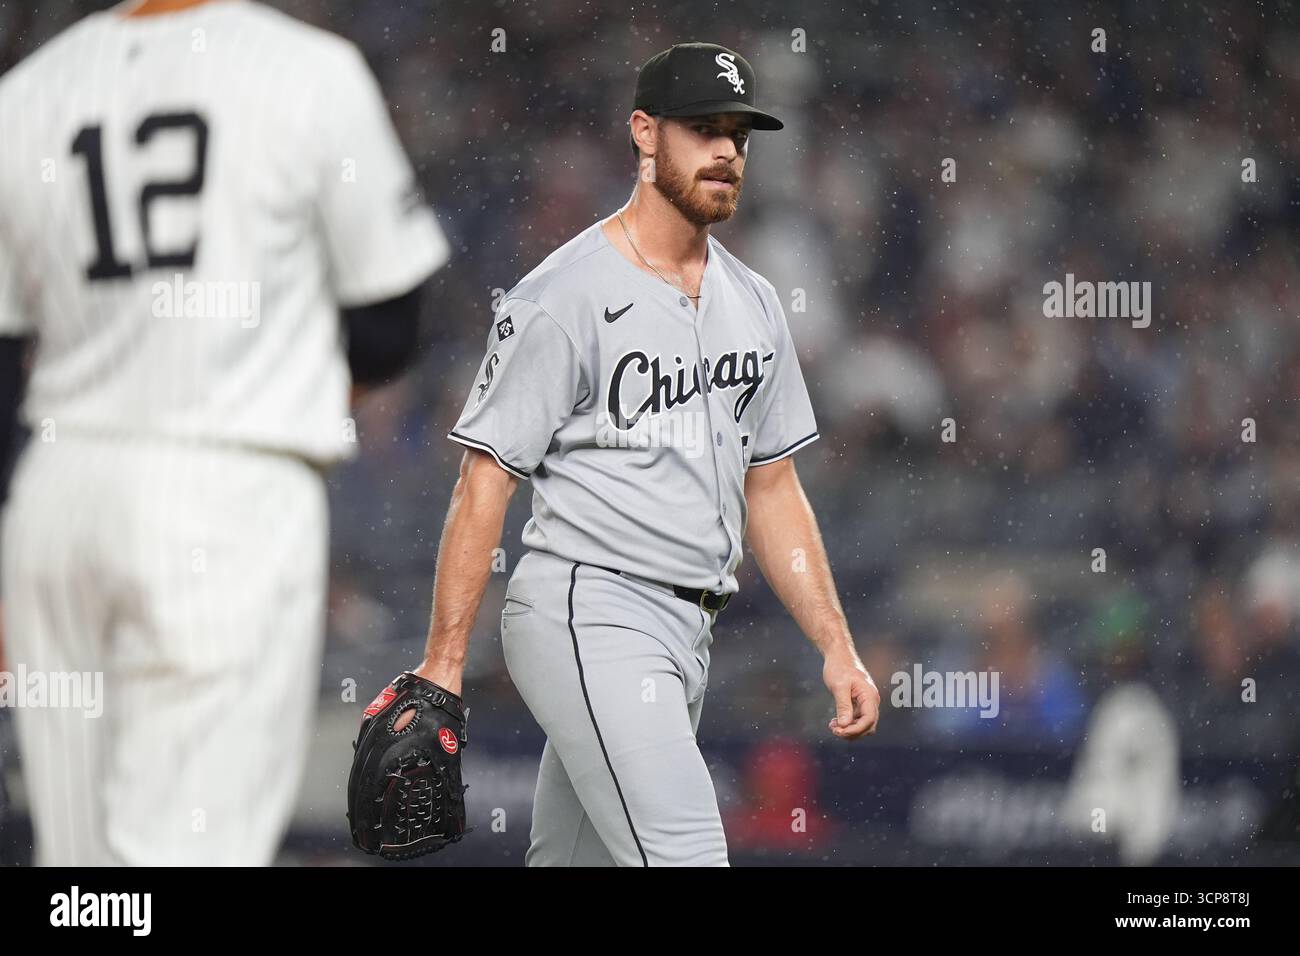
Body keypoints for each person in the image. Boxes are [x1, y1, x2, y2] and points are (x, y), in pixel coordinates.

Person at [377, 41, 879, 867]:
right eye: (702, 129)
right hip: (591, 609)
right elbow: (484, 483)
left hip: (689, 631)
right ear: (644, 133)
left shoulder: (755, 301)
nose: (725, 150)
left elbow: (775, 487)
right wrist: (443, 665)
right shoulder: (560, 293)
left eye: (739, 135)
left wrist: (834, 642)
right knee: (686, 855)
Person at [0, 0, 449, 864]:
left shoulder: (27, 92)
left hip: (57, 493)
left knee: (85, 871)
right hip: (228, 485)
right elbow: (391, 326)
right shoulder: (306, 70)